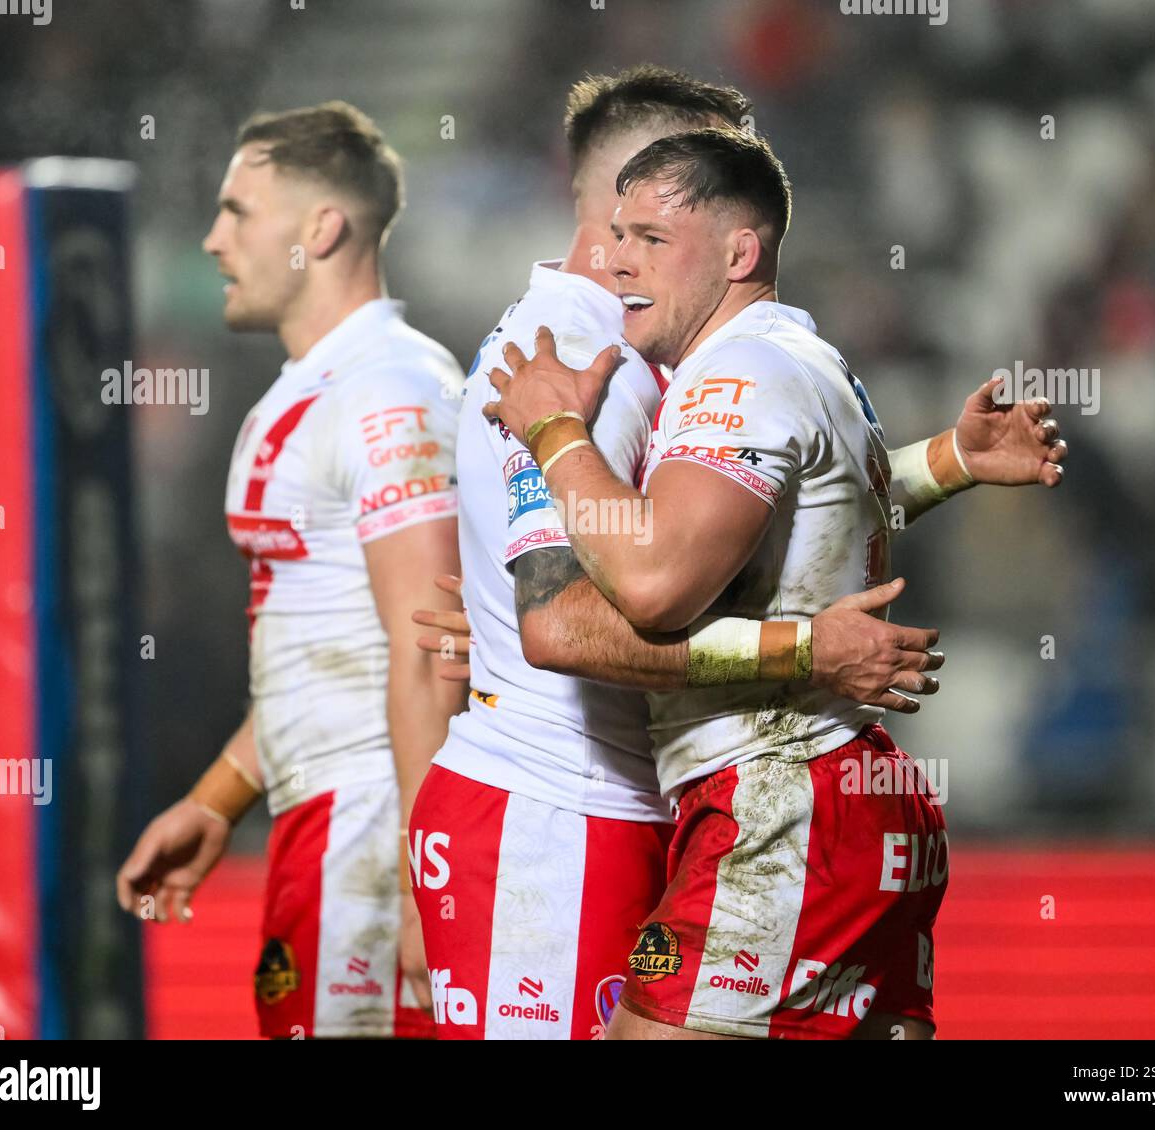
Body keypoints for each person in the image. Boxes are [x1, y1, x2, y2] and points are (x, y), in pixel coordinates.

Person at [410, 67, 1018, 1041]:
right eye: (631, 229)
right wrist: (945, 461)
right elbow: (765, 527)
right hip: (831, 792)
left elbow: (630, 590)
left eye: (655, 236)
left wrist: (557, 439)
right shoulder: (796, 352)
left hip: (775, 795)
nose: (627, 262)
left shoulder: (715, 369)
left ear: (737, 245)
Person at [115, 101, 466, 1039]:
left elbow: (432, 648)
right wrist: (217, 801)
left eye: (238, 211)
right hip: (330, 815)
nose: (212, 238)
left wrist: (428, 876)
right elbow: (326, 650)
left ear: (320, 229)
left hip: (375, 828)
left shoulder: (388, 391)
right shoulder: (312, 389)